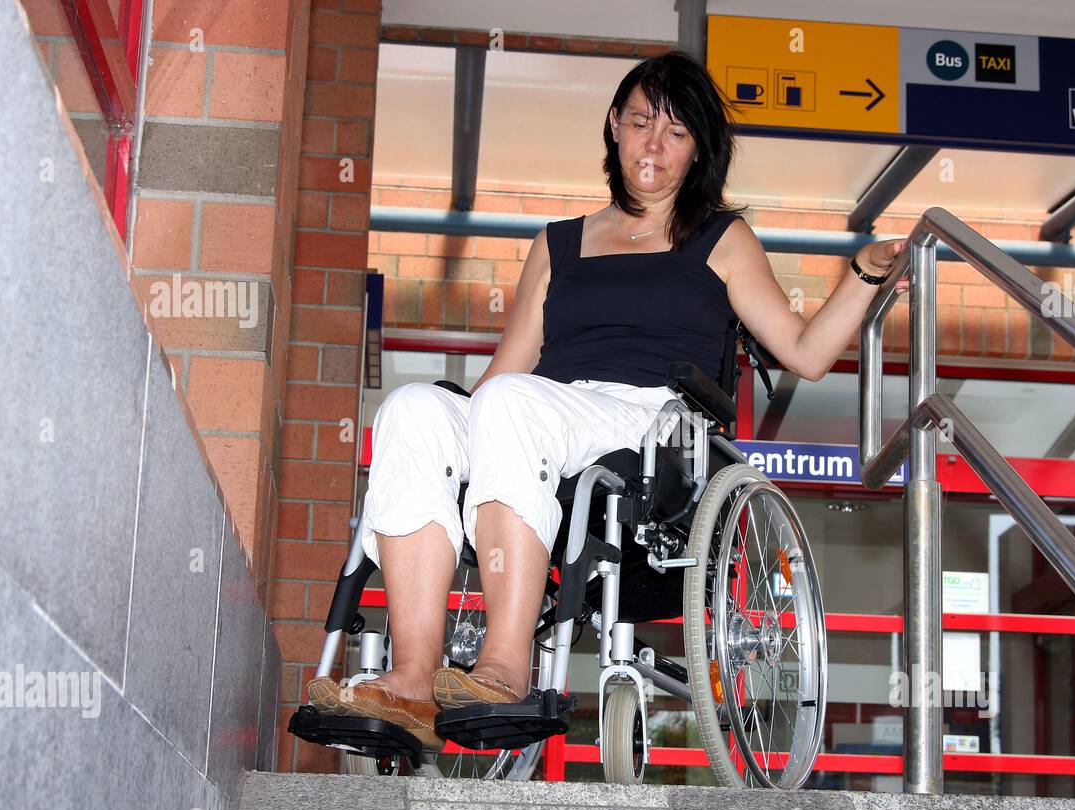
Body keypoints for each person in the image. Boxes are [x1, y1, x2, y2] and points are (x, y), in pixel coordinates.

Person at [307, 51, 908, 747]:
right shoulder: (558, 244)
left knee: (511, 406)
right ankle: (412, 680)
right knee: (413, 409)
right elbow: (507, 372)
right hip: (541, 408)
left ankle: (504, 667)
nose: (654, 143)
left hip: (645, 422)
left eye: (677, 132)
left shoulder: (721, 239)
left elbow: (805, 351)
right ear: (613, 127)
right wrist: (454, 436)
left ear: (697, 152)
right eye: (641, 121)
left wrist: (865, 274)